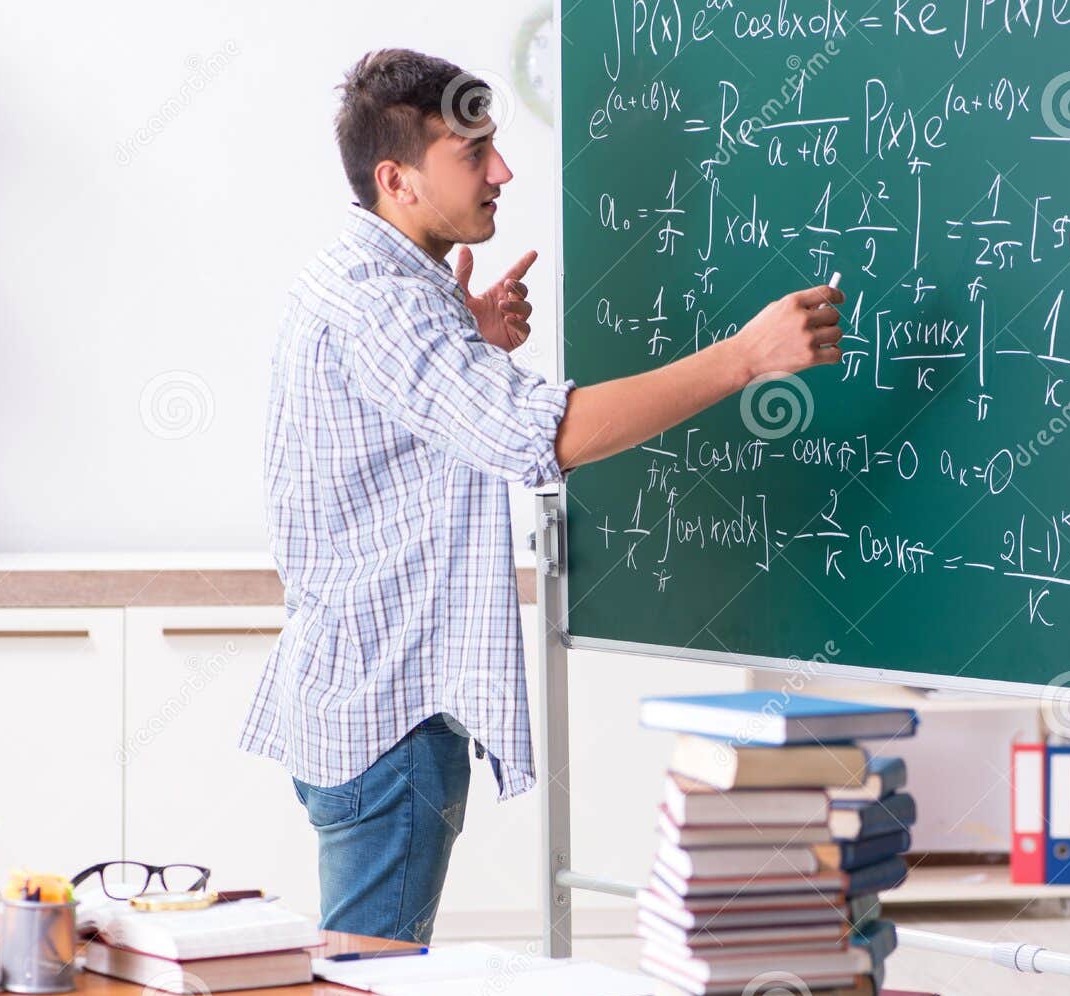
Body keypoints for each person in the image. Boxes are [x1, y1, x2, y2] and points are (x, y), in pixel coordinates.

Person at [240, 48, 843, 943]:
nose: (503, 171)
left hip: (347, 698)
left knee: (363, 984)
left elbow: (401, 410)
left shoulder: (362, 277)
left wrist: (467, 337)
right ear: (397, 179)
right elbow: (543, 437)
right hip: (393, 723)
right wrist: (746, 357)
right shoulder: (389, 307)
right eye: (470, 152)